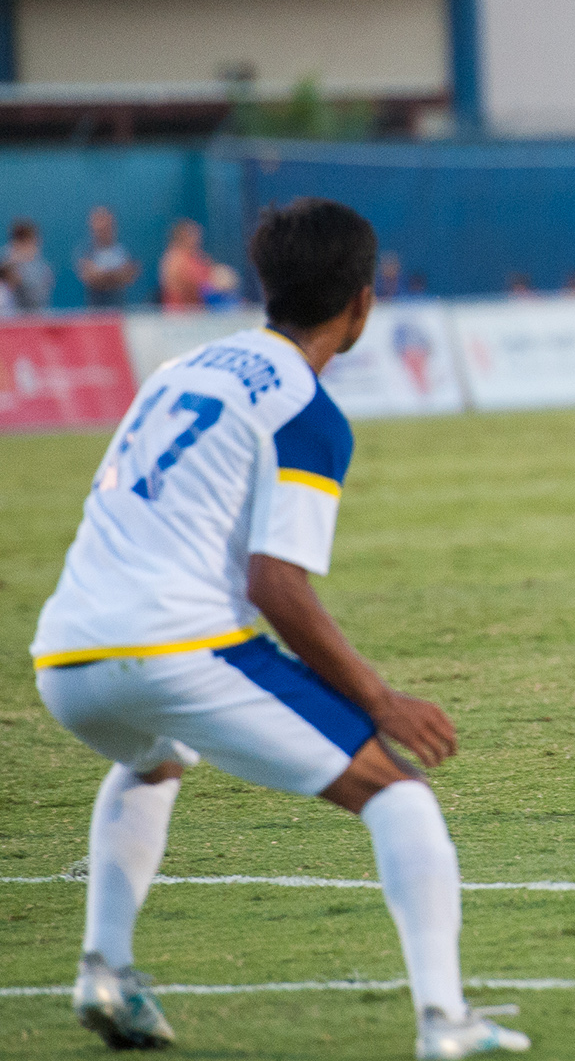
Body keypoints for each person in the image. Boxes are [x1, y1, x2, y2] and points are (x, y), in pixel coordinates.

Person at [30, 198, 528, 1060]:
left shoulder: (179, 368)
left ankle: (106, 972)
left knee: (151, 760)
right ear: (363, 304)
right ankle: (446, 1023)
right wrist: (380, 699)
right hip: (175, 649)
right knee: (399, 793)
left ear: (265, 285)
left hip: (66, 655)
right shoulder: (308, 410)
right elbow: (277, 586)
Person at [77, 207, 141, 309]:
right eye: (98, 226)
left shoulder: (124, 250)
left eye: (106, 226)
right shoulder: (85, 251)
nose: (102, 229)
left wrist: (102, 274)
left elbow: (130, 274)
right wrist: (116, 274)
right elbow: (90, 276)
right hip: (95, 310)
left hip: (121, 309)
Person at [158, 219, 214, 310]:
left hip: (198, 310)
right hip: (181, 312)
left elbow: (210, 276)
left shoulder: (197, 256)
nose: (198, 238)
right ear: (183, 236)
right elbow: (188, 286)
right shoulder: (175, 258)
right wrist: (212, 287)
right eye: (193, 234)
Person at [7, 218, 56, 313]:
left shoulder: (41, 266)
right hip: (8, 318)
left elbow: (40, 298)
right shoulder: (7, 260)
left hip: (34, 316)